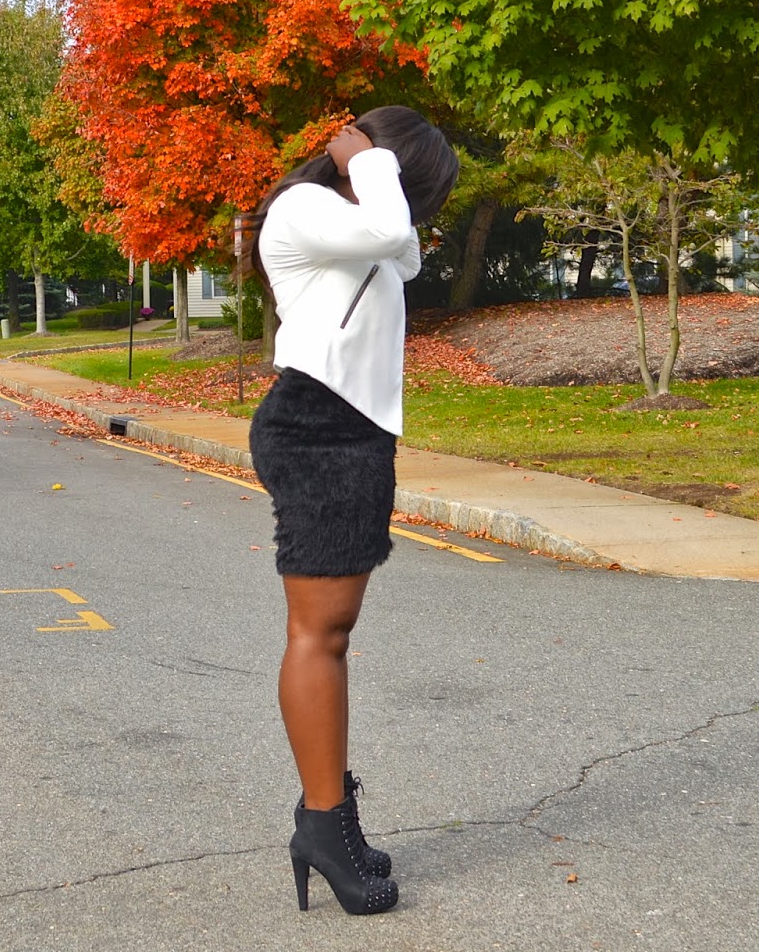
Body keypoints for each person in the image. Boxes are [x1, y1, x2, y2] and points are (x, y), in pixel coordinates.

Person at [242, 106, 459, 915]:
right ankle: (323, 824)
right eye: (420, 184)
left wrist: (378, 180)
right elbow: (387, 233)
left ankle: (329, 811)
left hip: (354, 433)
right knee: (319, 634)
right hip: (317, 428)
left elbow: (398, 251)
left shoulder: (360, 220)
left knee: (333, 633)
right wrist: (371, 162)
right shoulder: (303, 209)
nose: (418, 206)